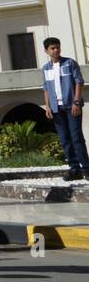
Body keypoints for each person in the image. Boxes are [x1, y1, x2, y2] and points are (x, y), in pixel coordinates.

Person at [42, 37, 88, 181]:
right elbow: (46, 88)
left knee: (76, 138)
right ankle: (74, 169)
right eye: (52, 48)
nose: (56, 50)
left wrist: (76, 102)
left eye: (57, 47)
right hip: (56, 109)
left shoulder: (70, 63)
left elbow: (79, 82)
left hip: (71, 106)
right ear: (46, 51)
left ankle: (86, 168)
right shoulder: (45, 68)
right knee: (64, 140)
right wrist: (47, 106)